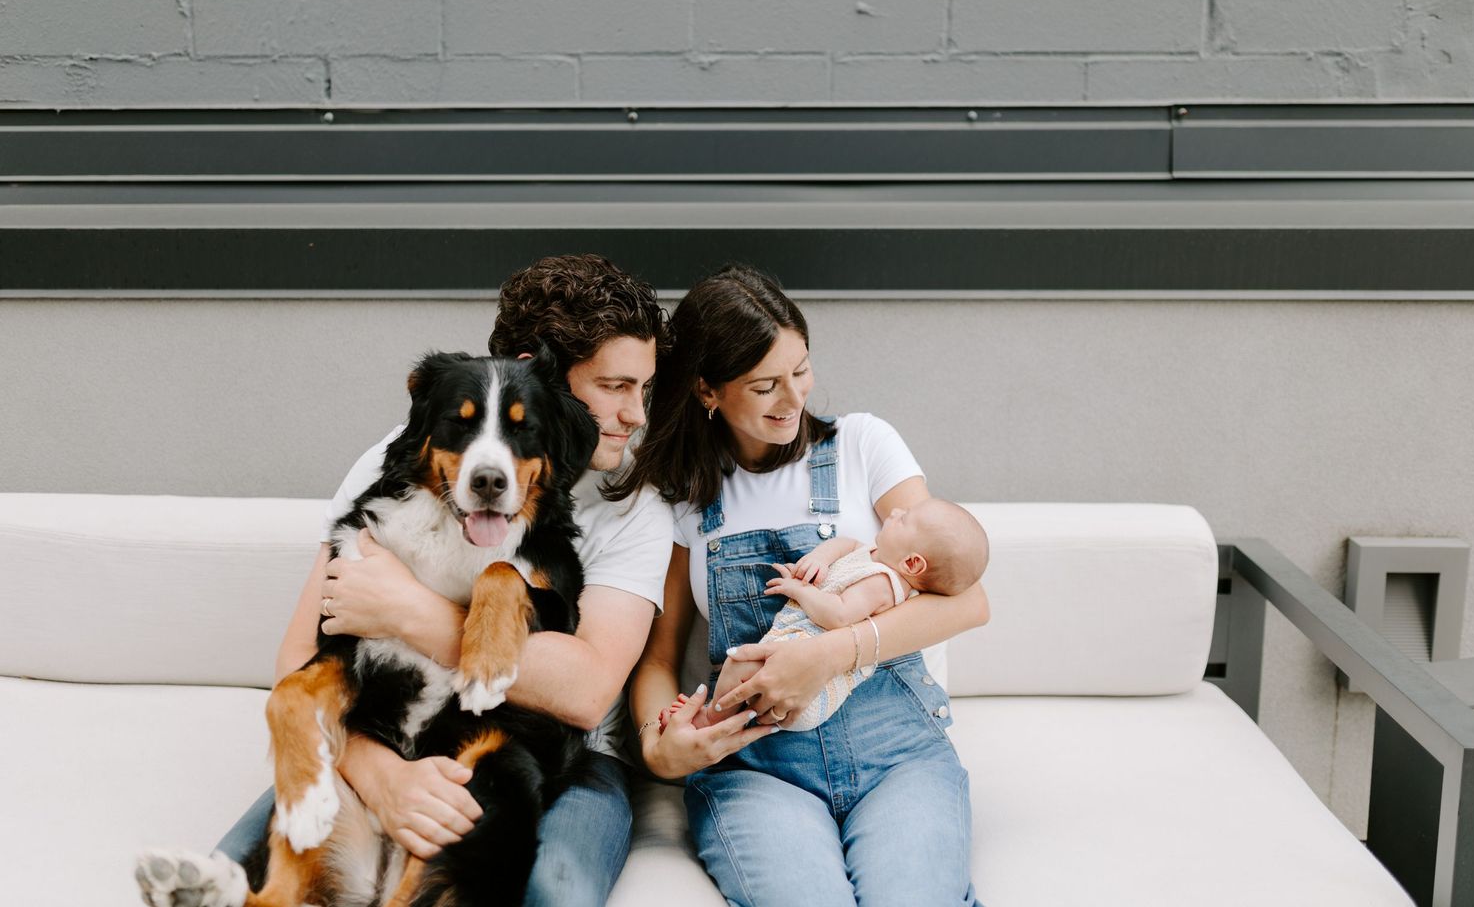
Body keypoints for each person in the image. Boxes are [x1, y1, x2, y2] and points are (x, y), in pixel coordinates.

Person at [215, 255, 704, 906]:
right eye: (615, 387)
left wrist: (408, 610)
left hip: (550, 757)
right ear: (538, 373)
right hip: (383, 726)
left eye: (643, 389)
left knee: (555, 894)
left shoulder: (634, 506)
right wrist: (376, 772)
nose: (635, 414)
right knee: (227, 873)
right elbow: (299, 657)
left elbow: (585, 691)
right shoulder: (410, 459)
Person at [617, 265, 989, 906]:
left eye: (802, 371)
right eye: (765, 385)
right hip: (759, 769)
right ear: (708, 390)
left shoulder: (863, 445)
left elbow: (964, 598)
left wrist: (822, 656)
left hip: (895, 751)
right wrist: (659, 745)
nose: (793, 399)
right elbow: (655, 655)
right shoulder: (681, 496)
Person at [666, 497, 990, 733]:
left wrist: (800, 590)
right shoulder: (872, 556)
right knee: (749, 673)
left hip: (813, 691)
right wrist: (818, 559)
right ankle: (716, 719)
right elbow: (845, 544)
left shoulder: (882, 583)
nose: (895, 512)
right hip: (793, 663)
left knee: (741, 663)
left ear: (912, 564)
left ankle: (710, 719)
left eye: (904, 520)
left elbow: (838, 616)